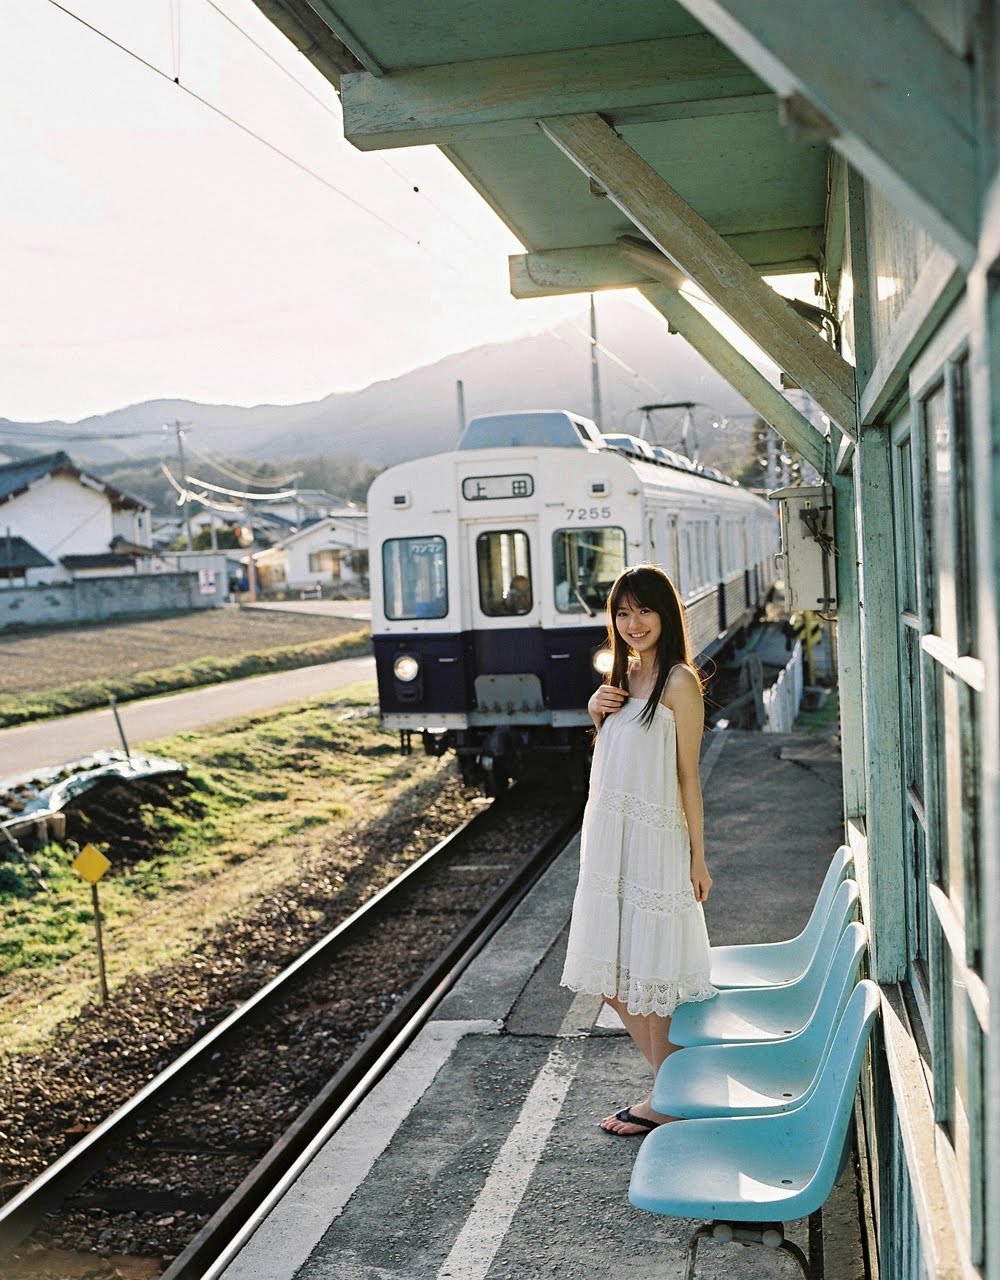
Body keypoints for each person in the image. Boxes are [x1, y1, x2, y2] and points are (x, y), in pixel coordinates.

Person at [560, 564, 717, 1136]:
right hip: (611, 841)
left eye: (643, 610)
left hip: (656, 842)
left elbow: (686, 778)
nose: (632, 623)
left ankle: (668, 1097)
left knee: (649, 973)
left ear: (665, 614)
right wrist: (596, 716)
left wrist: (698, 857)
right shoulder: (620, 680)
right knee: (613, 975)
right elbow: (615, 763)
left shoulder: (679, 682)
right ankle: (677, 1089)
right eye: (622, 613)